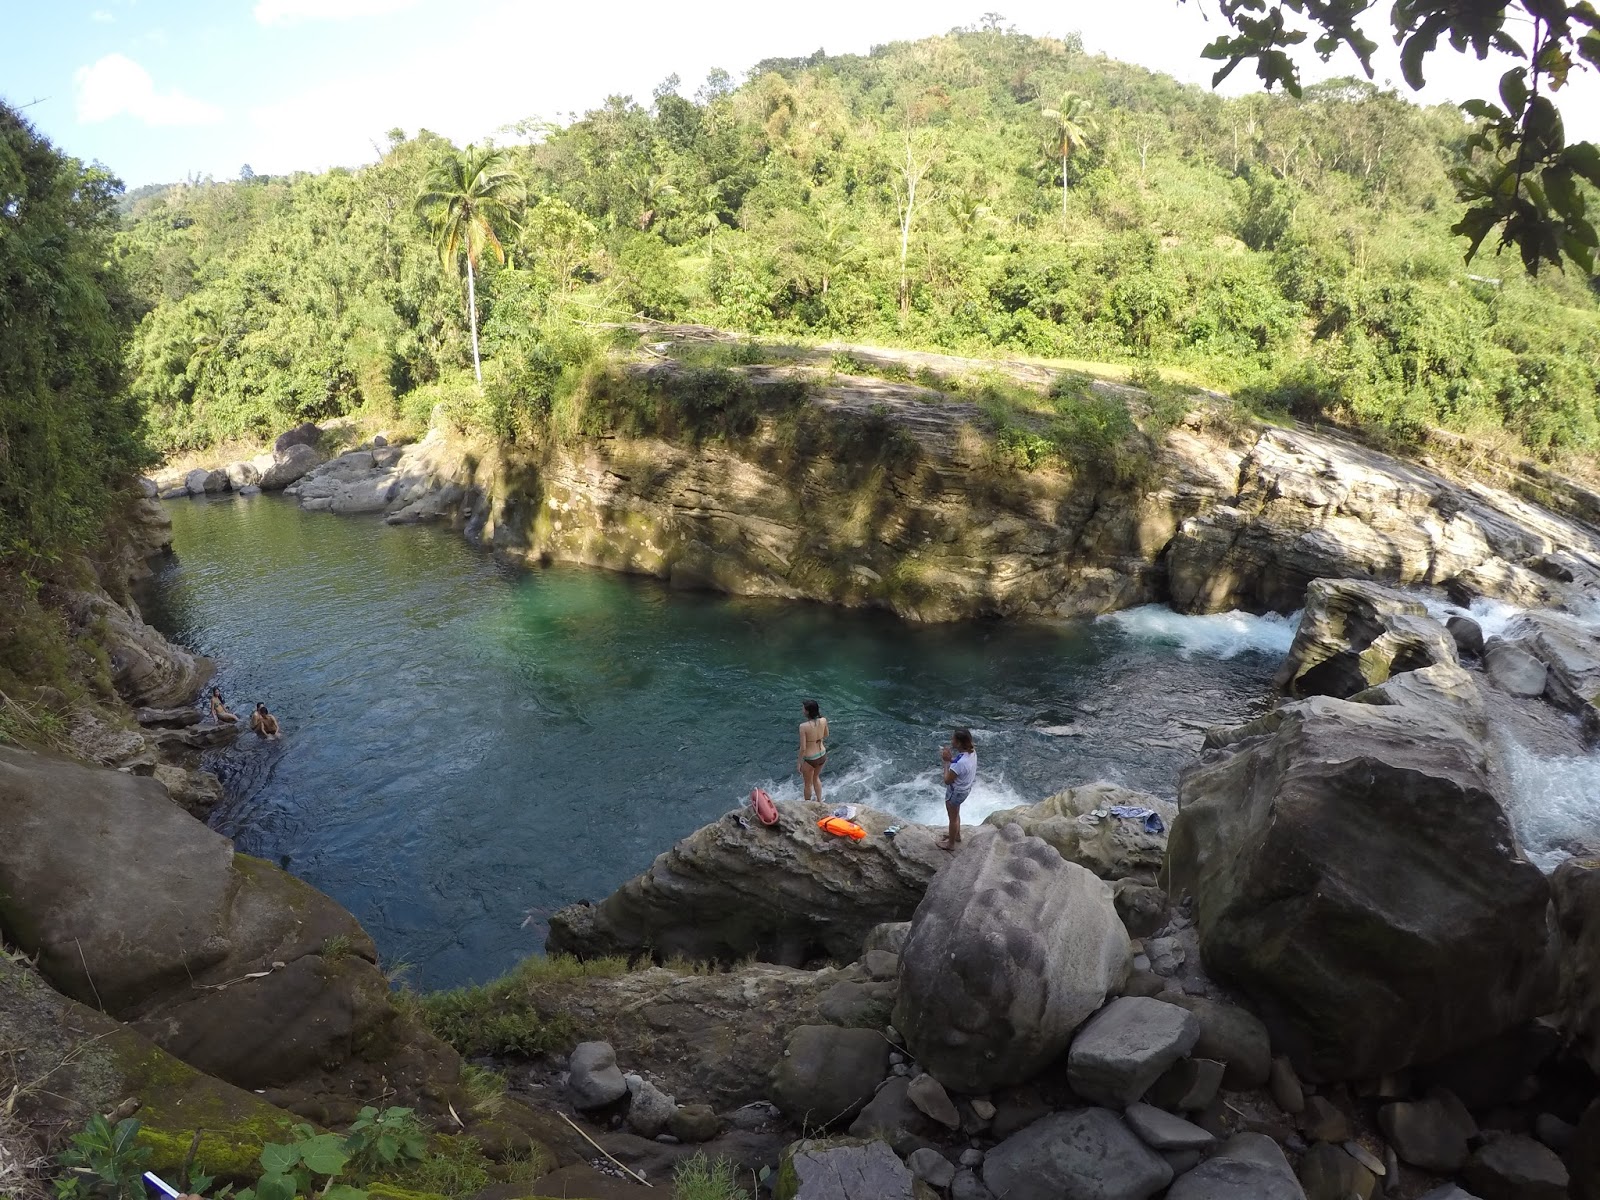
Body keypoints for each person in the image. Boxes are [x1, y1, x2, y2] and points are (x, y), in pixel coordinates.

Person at [938, 727, 977, 851]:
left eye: (953, 738)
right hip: (965, 789)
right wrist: (951, 759)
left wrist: (946, 762)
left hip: (955, 792)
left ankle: (950, 844)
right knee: (956, 813)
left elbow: (947, 780)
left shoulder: (959, 764)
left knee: (953, 818)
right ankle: (957, 835)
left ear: (959, 743)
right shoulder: (971, 753)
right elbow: (959, 762)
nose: (951, 740)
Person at [797, 699, 829, 804]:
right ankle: (820, 801)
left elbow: (803, 748)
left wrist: (799, 763)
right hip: (822, 755)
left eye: (804, 709)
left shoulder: (803, 727)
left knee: (807, 783)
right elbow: (826, 735)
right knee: (816, 777)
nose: (802, 710)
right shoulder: (823, 720)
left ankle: (807, 805)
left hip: (810, 758)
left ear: (807, 711)